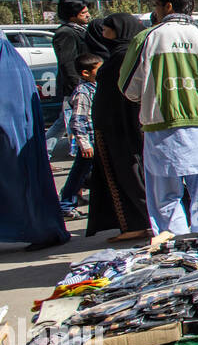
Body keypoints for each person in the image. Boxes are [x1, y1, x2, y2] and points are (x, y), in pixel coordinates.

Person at [120, 0, 198, 236]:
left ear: (168, 6)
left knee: (165, 197)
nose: (155, 11)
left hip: (162, 127)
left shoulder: (147, 38)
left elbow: (128, 87)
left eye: (156, 6)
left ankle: (175, 244)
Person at [0, 33, 69, 249]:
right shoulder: (14, 64)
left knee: (22, 185)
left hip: (12, 143)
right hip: (18, 140)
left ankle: (42, 231)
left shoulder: (6, 69)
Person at [86, 13, 149, 242]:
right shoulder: (121, 55)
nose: (103, 34)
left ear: (121, 30)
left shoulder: (123, 57)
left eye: (107, 29)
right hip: (115, 126)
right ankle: (136, 223)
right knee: (124, 174)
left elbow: (128, 95)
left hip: (122, 127)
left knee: (131, 173)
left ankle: (146, 221)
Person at [57, 52, 102, 218]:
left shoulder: (95, 87)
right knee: (79, 174)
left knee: (84, 173)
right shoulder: (83, 92)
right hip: (88, 142)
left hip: (95, 140)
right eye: (99, 69)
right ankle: (66, 204)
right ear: (86, 73)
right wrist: (84, 143)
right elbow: (77, 120)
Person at [47, 0, 91, 158]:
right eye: (83, 12)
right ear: (73, 15)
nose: (88, 15)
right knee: (66, 120)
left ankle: (44, 153)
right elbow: (67, 63)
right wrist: (77, 86)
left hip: (81, 84)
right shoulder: (65, 33)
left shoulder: (79, 30)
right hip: (75, 86)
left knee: (64, 121)